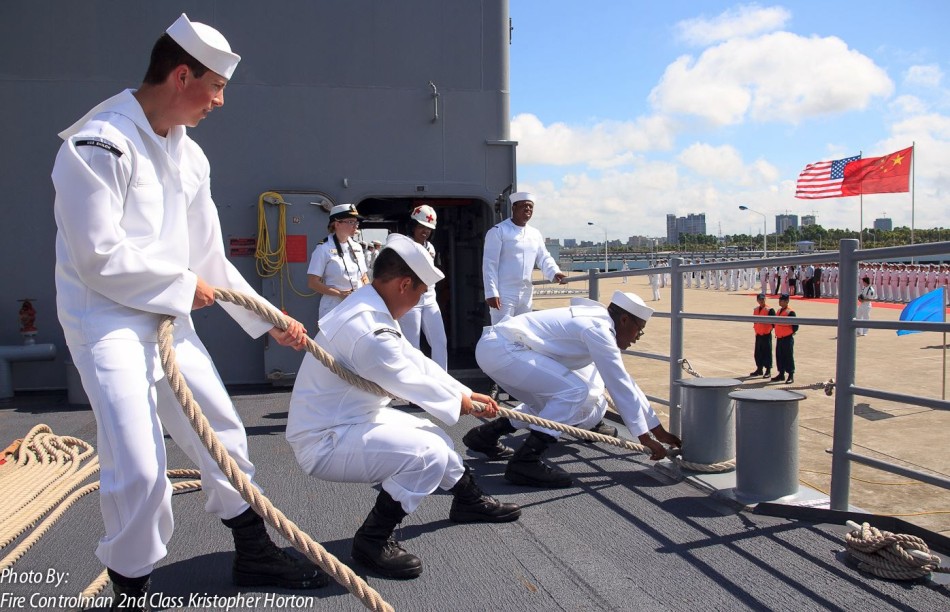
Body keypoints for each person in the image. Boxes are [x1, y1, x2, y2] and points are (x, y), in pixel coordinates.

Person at [51, 14, 327, 607]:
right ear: (182, 76)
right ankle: (131, 585)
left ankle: (253, 550)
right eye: (216, 87)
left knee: (223, 434)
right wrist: (181, 286)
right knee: (139, 467)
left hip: (170, 319)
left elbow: (208, 260)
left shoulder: (191, 157)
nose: (220, 102)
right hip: (107, 324)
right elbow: (96, 256)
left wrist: (269, 319)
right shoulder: (98, 144)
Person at [286, 234, 521, 580]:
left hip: (349, 417)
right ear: (404, 284)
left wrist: (464, 391)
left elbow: (414, 359)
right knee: (427, 454)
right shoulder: (369, 331)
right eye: (421, 293)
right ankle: (372, 539)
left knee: (434, 436)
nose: (419, 301)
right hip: (324, 440)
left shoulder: (370, 305)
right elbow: (408, 379)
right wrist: (464, 403)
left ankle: (468, 499)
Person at [464, 291, 682, 488]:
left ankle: (486, 435)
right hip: (504, 350)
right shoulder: (599, 330)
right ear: (624, 320)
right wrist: (645, 438)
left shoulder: (596, 324)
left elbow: (627, 383)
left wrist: (658, 431)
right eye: (639, 330)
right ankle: (525, 462)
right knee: (574, 392)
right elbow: (619, 383)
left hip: (497, 350)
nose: (637, 338)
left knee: (555, 402)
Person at [482, 191, 566, 325]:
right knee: (502, 332)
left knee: (523, 331)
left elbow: (544, 257)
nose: (528, 209)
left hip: (526, 293)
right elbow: (489, 264)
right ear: (514, 208)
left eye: (531, 206)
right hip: (504, 293)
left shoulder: (535, 234)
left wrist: (555, 272)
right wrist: (491, 292)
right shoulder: (498, 231)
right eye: (524, 205)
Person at [400, 204, 448, 369]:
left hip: (429, 298)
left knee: (440, 341)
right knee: (412, 345)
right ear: (413, 226)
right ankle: (414, 380)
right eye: (421, 226)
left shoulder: (430, 247)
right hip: (410, 300)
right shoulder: (403, 246)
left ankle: (442, 378)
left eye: (428, 228)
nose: (425, 231)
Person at [307, 203, 370, 320]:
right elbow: (312, 282)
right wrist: (339, 294)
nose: (355, 226)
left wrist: (369, 293)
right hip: (333, 307)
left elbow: (363, 276)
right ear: (337, 224)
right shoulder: (323, 249)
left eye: (356, 222)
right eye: (351, 222)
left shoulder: (357, 247)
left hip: (356, 305)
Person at [771, 294, 798, 384]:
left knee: (788, 356)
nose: (780, 302)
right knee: (779, 356)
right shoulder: (778, 311)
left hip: (787, 338)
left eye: (782, 300)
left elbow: (795, 326)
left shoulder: (790, 312)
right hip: (779, 338)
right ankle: (781, 374)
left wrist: (789, 332)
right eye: (779, 300)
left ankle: (790, 375)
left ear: (787, 301)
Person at [749, 293, 774, 378]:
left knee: (767, 352)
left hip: (766, 334)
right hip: (758, 334)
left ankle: (768, 370)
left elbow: (773, 323)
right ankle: (759, 369)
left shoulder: (770, 310)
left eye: (763, 299)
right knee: (758, 353)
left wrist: (768, 329)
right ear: (757, 300)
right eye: (760, 299)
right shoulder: (756, 309)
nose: (761, 301)